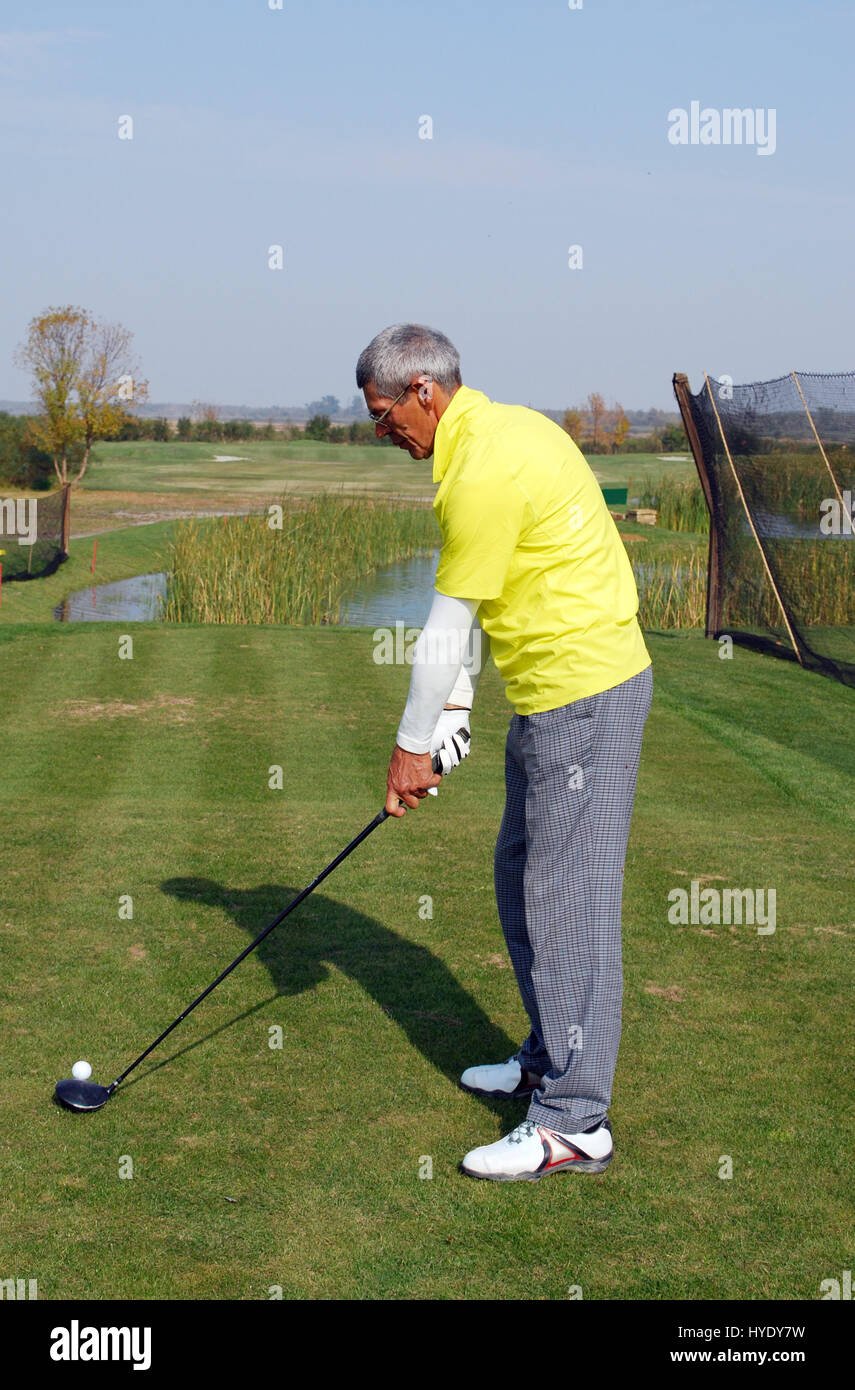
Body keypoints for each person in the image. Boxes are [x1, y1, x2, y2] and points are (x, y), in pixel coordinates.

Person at [355, 323, 653, 1182]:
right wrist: (456, 711)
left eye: (383, 417)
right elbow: (500, 590)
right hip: (551, 691)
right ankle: (544, 1058)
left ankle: (572, 1120)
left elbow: (447, 626)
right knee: (519, 870)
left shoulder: (481, 467)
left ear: (423, 390)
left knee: (566, 899)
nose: (384, 436)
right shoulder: (501, 431)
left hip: (584, 695)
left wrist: (411, 750)